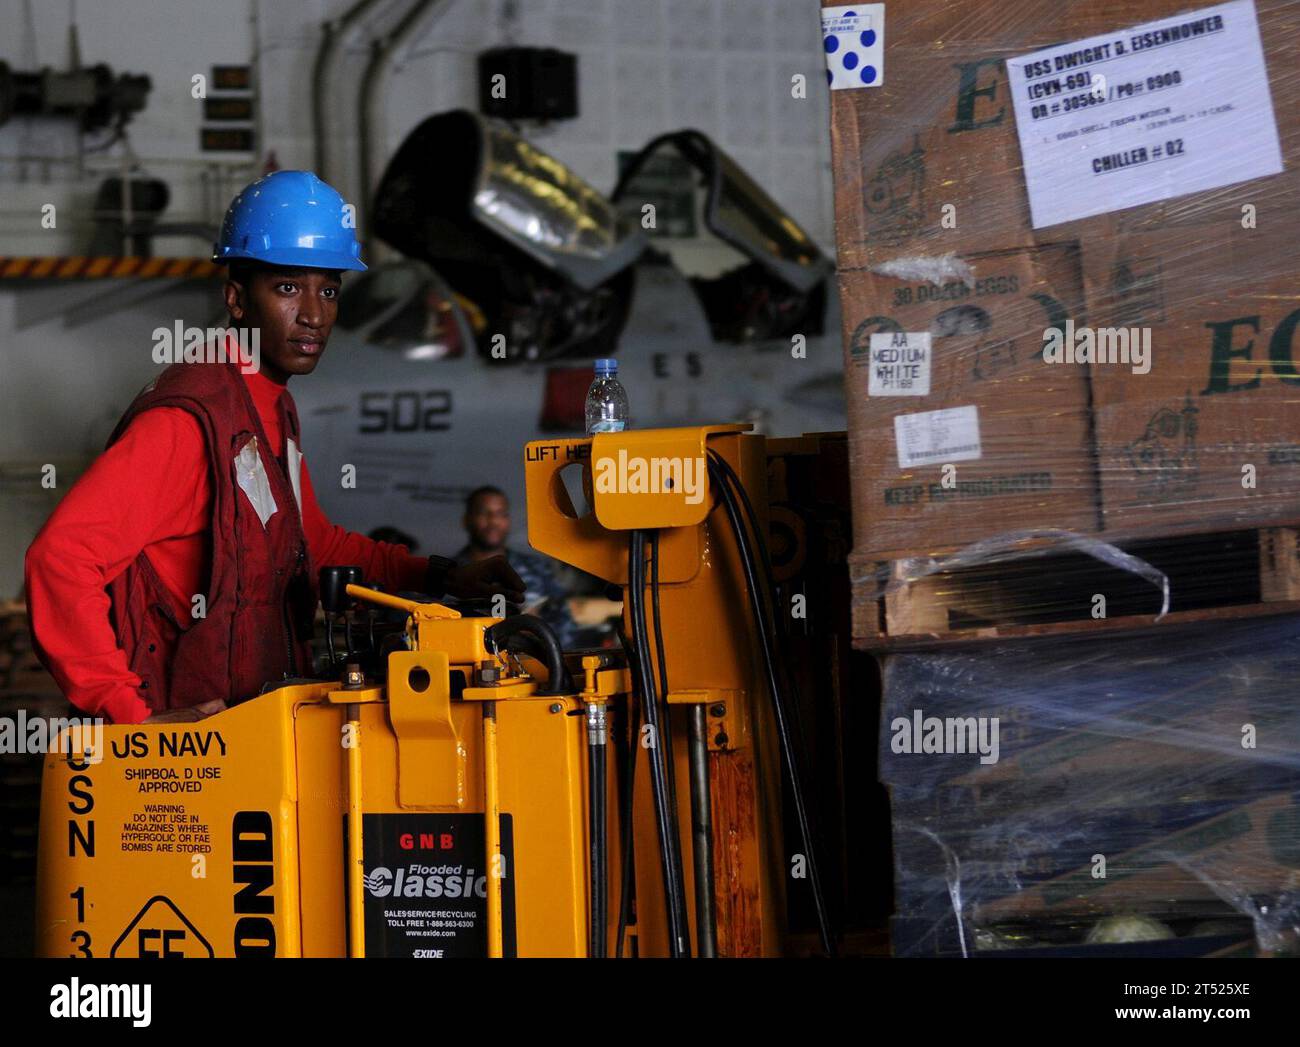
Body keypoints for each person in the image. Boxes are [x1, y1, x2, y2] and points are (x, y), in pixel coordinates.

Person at [24, 171, 524, 725]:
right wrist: (131, 717)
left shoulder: (271, 407)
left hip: (256, 735)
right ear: (237, 299)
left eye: (328, 290)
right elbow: (60, 559)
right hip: (188, 762)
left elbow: (314, 544)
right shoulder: (188, 422)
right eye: (287, 287)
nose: (313, 313)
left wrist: (441, 577)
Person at [456, 486, 578, 648]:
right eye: (484, 513)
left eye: (501, 514)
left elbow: (566, 625)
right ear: (467, 520)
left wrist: (535, 634)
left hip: (533, 667)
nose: (494, 521)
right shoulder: (450, 575)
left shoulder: (538, 569)